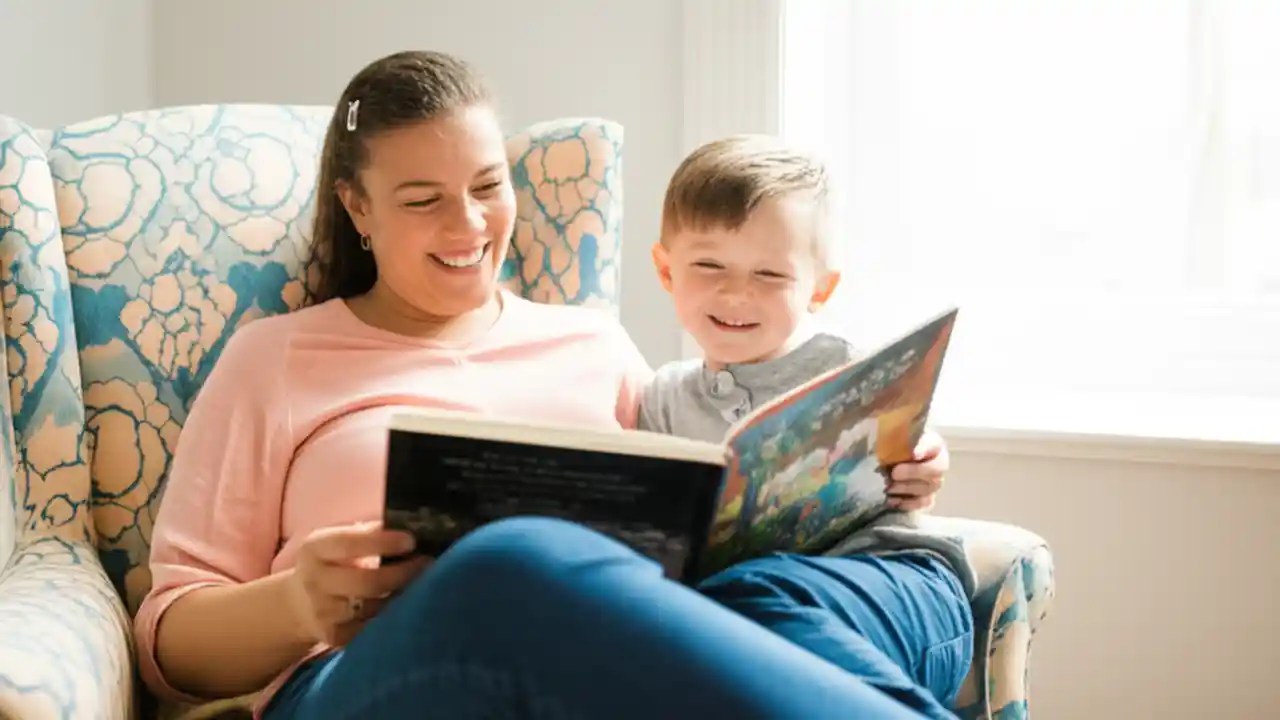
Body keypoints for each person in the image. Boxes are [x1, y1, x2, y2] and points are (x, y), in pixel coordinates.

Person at [133, 50, 948, 720]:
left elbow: (704, 507)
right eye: (423, 200)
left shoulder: (594, 344)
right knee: (510, 560)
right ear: (358, 207)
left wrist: (883, 467)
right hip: (360, 681)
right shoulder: (273, 359)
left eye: (489, 186)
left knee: (757, 600)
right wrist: (300, 603)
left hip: (589, 680)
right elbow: (169, 649)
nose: (469, 226)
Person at [638, 135, 976, 719]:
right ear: (666, 271)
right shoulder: (663, 399)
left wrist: (924, 459)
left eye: (769, 274)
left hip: (897, 585)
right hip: (754, 617)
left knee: (750, 602)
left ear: (820, 288)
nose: (736, 292)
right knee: (714, 624)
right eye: (708, 265)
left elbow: (913, 447)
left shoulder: (847, 365)